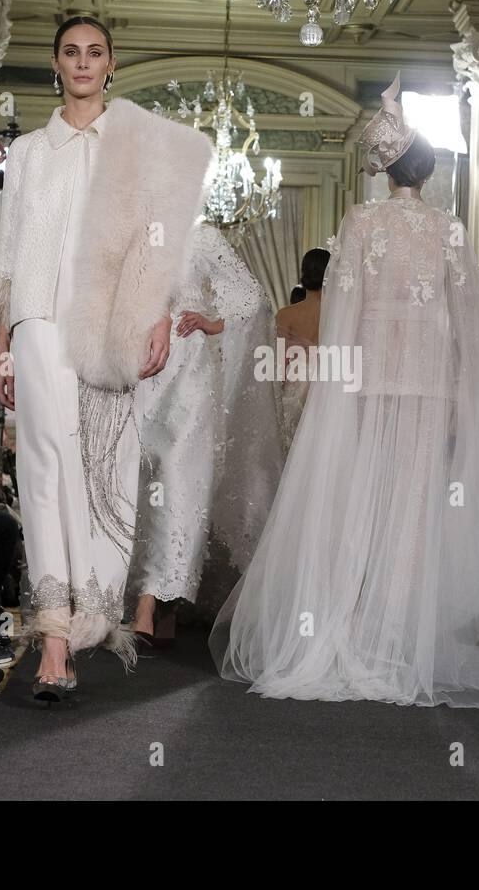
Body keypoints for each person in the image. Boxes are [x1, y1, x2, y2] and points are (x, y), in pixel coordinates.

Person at [210, 75, 479, 707]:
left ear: (382, 168)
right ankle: (399, 638)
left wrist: (336, 388)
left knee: (360, 502)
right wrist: (463, 390)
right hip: (428, 387)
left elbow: (343, 310)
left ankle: (354, 624)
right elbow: (469, 323)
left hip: (371, 382)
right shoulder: (447, 229)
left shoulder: (362, 222)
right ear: (425, 172)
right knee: (415, 508)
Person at [0, 15, 213, 701]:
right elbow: (9, 256)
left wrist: (161, 314)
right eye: (71, 52)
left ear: (111, 65)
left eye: (95, 52)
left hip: (111, 326)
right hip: (38, 321)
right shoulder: (25, 157)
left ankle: (92, 612)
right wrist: (0, 351)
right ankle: (52, 638)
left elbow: (158, 240)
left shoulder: (133, 147)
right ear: (56, 64)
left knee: (102, 470)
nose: (83, 63)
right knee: (44, 465)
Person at [128, 223, 284, 643]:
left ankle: (152, 599)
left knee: (179, 481)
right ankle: (160, 606)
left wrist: (213, 323)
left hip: (191, 374)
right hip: (139, 369)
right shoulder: (139, 231)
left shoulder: (203, 237)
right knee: (142, 478)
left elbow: (253, 298)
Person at [275, 247, 329, 446]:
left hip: (297, 385)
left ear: (304, 272)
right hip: (330, 382)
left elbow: (281, 363)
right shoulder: (340, 316)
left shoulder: (286, 315)